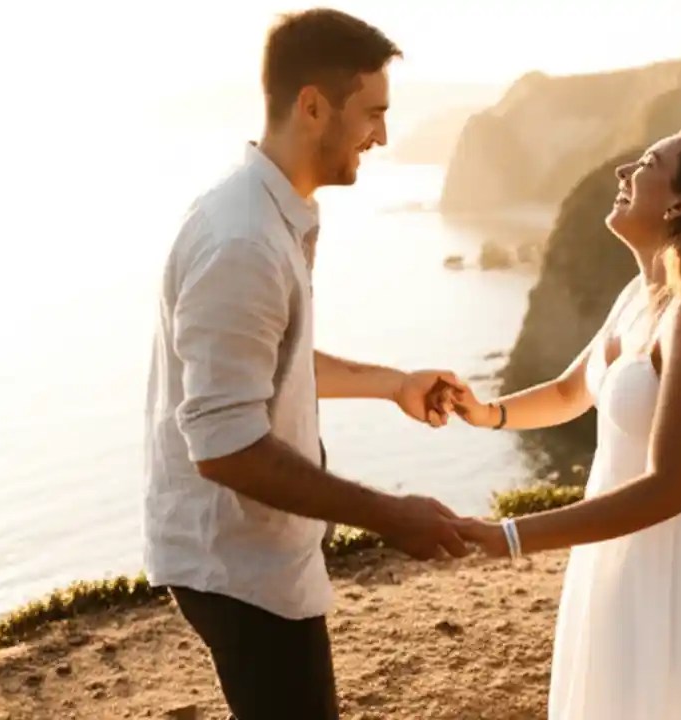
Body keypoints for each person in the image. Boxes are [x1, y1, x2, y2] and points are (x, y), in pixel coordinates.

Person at [142, 9, 469, 720]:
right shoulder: (243, 242)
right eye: (373, 113)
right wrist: (390, 515)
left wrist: (393, 386)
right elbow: (224, 447)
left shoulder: (269, 217)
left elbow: (273, 364)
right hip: (238, 564)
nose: (382, 135)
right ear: (314, 106)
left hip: (260, 551)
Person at [450, 127, 681, 719]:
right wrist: (483, 413)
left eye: (646, 163)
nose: (623, 173)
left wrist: (510, 536)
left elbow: (668, 489)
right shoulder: (639, 295)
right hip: (610, 551)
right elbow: (568, 391)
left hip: (666, 564)